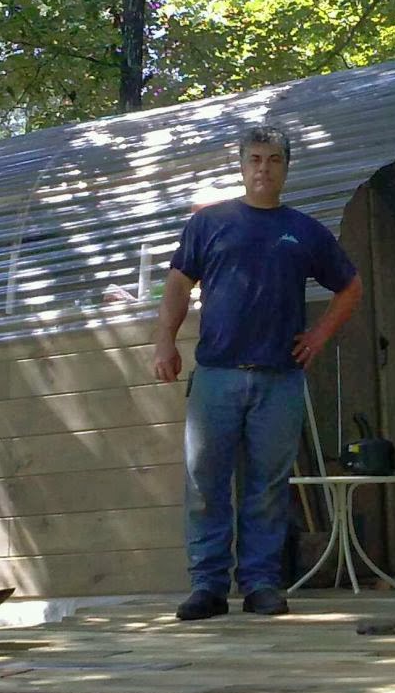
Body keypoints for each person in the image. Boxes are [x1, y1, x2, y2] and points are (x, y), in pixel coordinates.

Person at [152, 124, 363, 620]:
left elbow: (350, 288)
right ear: (242, 166)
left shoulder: (304, 230)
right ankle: (207, 586)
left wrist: (318, 337)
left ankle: (261, 585)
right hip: (217, 374)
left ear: (286, 167)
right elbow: (179, 282)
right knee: (205, 482)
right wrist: (164, 340)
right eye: (255, 159)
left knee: (268, 485)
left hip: (279, 377)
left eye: (273, 159)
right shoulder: (210, 224)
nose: (263, 168)